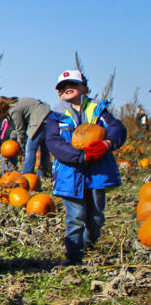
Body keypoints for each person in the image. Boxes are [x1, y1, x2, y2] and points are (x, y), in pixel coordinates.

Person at [44, 70, 127, 266]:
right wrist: (80, 156)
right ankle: (73, 256)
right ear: (58, 94)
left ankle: (89, 242)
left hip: (97, 174)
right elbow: (54, 142)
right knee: (75, 217)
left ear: (85, 88)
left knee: (96, 216)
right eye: (62, 87)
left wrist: (108, 143)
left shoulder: (98, 111)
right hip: (69, 174)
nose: (67, 88)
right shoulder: (56, 116)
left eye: (72, 84)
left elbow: (117, 129)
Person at [0, 96, 52, 178]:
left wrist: (21, 145)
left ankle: (27, 175)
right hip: (48, 115)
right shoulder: (16, 102)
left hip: (40, 118)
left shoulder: (13, 110)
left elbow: (20, 130)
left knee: (30, 148)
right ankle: (42, 175)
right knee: (44, 148)